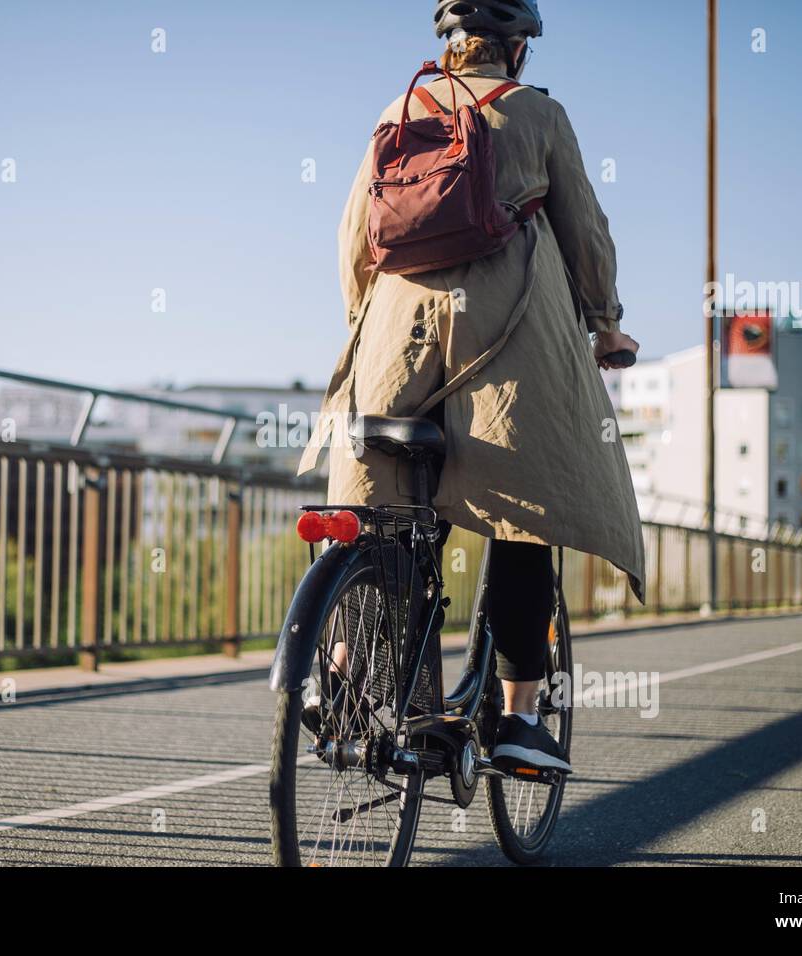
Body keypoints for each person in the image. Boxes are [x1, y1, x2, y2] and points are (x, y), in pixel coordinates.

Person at [296, 0, 645, 774]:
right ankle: (518, 719)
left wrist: (369, 322)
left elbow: (356, 234)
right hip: (509, 340)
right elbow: (584, 230)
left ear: (449, 47)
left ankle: (347, 667)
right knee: (527, 510)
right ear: (516, 52)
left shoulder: (400, 107)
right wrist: (606, 322)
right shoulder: (536, 113)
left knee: (380, 510)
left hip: (395, 338)